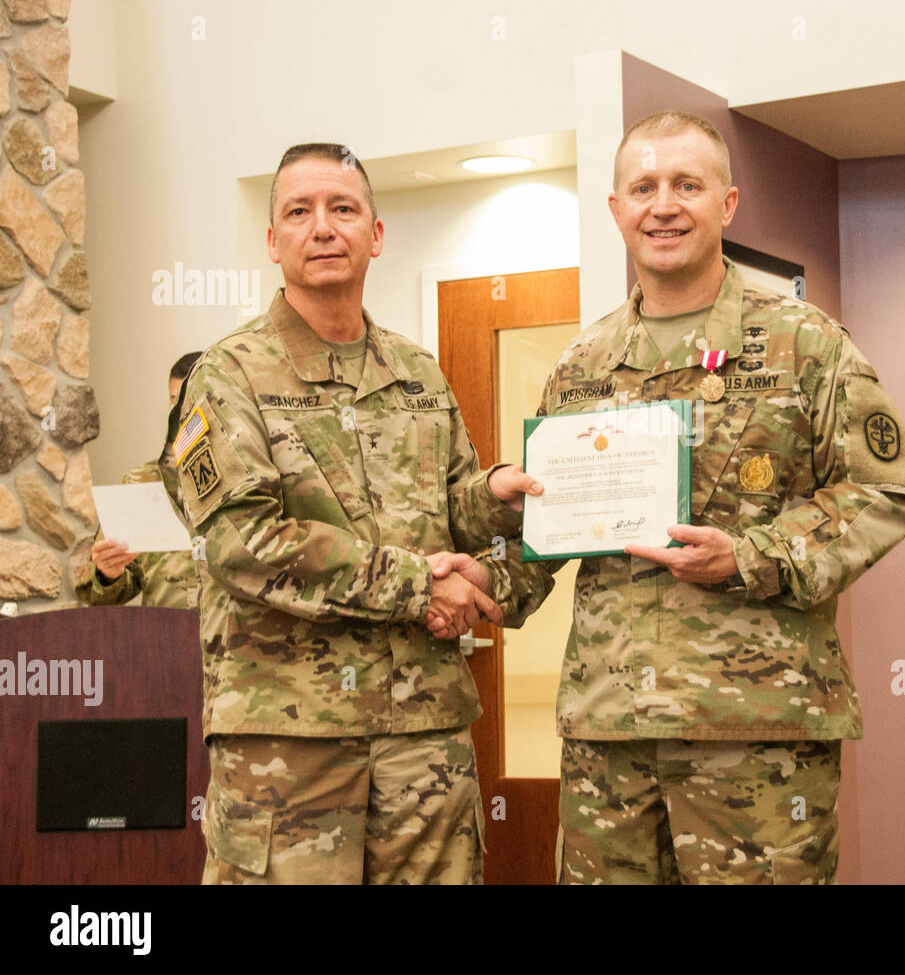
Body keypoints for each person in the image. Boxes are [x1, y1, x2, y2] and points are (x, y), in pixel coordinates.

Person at [534, 111, 905, 884]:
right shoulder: (581, 363)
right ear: (616, 210)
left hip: (757, 734)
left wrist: (752, 556)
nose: (664, 205)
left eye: (687, 184)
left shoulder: (805, 343)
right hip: (609, 734)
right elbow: (548, 520)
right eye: (643, 187)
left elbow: (888, 492)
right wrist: (497, 530)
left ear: (728, 204)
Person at [163, 143, 550, 885]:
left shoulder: (417, 371)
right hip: (293, 744)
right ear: (273, 242)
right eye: (299, 212)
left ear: (376, 234)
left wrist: (492, 497)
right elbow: (243, 542)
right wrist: (418, 585)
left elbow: (448, 509)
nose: (323, 227)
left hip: (424, 732)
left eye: (343, 209)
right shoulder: (227, 374)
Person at [75, 353, 203, 609]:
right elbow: (102, 596)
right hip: (161, 640)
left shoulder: (259, 478)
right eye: (173, 400)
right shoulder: (142, 483)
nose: (181, 410)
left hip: (241, 644)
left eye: (192, 398)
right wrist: (108, 574)